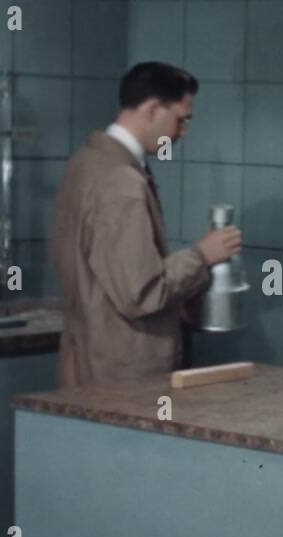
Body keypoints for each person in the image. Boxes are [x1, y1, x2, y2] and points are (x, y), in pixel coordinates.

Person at [52, 62, 242, 388]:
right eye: (180, 120)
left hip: (88, 360)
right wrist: (202, 256)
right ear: (154, 109)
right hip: (123, 377)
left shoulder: (86, 163)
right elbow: (140, 292)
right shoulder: (120, 182)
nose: (183, 133)